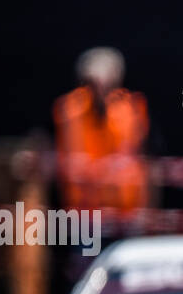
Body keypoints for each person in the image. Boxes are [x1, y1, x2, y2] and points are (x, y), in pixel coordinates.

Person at [52, 47, 150, 210]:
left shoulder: (131, 108)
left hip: (124, 209)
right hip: (82, 210)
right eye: (93, 84)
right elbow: (72, 160)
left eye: (106, 84)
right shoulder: (69, 109)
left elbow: (135, 157)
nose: (100, 90)